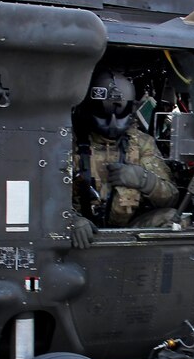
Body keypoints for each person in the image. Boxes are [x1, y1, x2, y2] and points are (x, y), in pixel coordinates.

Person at [69, 68, 179, 248]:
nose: (112, 123)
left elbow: (171, 197)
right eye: (104, 114)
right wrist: (70, 220)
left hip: (128, 233)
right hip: (84, 234)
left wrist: (144, 180)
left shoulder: (142, 144)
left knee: (171, 217)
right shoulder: (69, 142)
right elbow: (43, 194)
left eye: (119, 114)